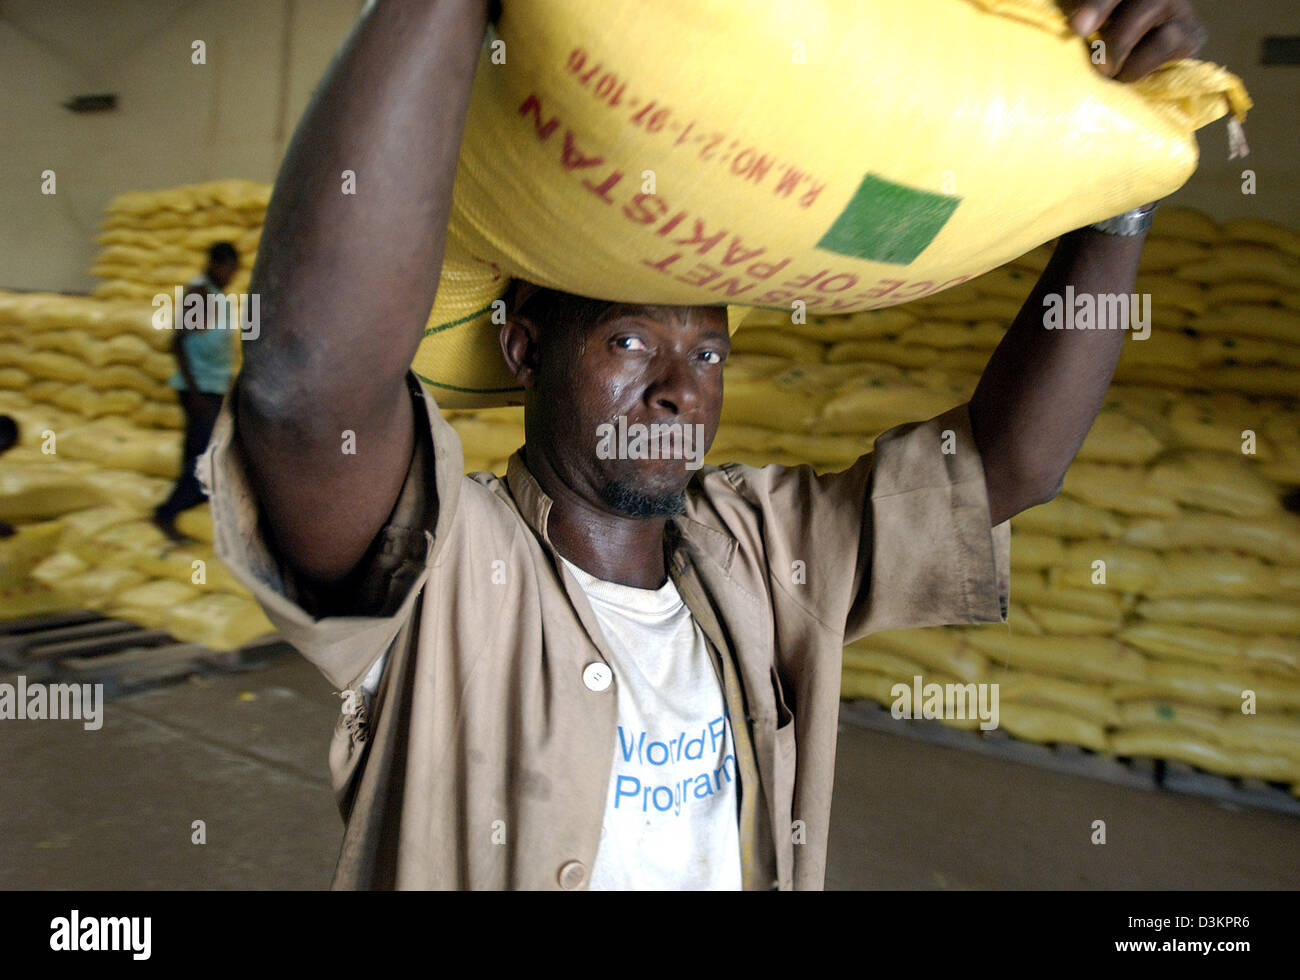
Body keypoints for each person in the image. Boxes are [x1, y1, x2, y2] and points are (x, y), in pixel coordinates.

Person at [197, 0, 1209, 889]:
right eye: (631, 339)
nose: (681, 388)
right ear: (522, 345)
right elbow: (302, 395)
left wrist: (1119, 190)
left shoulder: (763, 554)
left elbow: (1008, 467)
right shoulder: (448, 574)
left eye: (711, 353)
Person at [153, 242, 239, 543]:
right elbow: (177, 341)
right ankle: (166, 513)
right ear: (216, 264)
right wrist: (195, 392)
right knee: (206, 457)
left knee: (195, 451)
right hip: (198, 389)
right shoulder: (200, 294)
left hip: (211, 387)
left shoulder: (217, 295)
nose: (232, 276)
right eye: (229, 269)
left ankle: (184, 507)